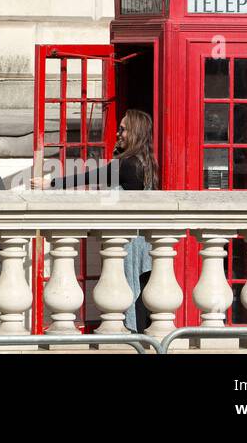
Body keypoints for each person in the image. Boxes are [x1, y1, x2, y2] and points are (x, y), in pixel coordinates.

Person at [32, 109, 159, 330]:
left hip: (128, 242)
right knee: (140, 295)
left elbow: (89, 176)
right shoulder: (145, 162)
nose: (118, 133)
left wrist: (49, 184)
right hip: (143, 241)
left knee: (128, 290)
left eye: (123, 129)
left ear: (135, 132)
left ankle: (131, 335)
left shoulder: (128, 165)